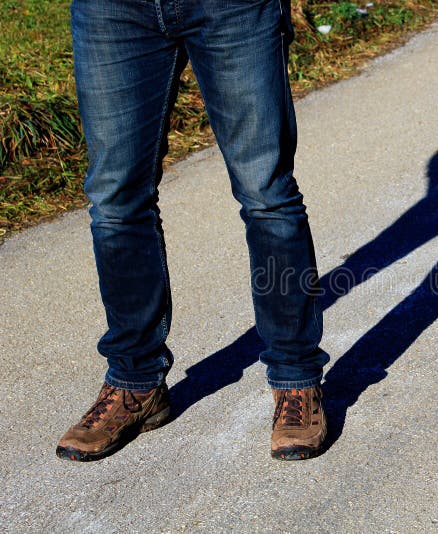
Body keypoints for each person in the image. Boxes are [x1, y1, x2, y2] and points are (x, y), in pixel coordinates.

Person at [56, 0, 329, 462]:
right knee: (115, 200)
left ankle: (296, 380)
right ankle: (135, 383)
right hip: (112, 11)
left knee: (267, 194)